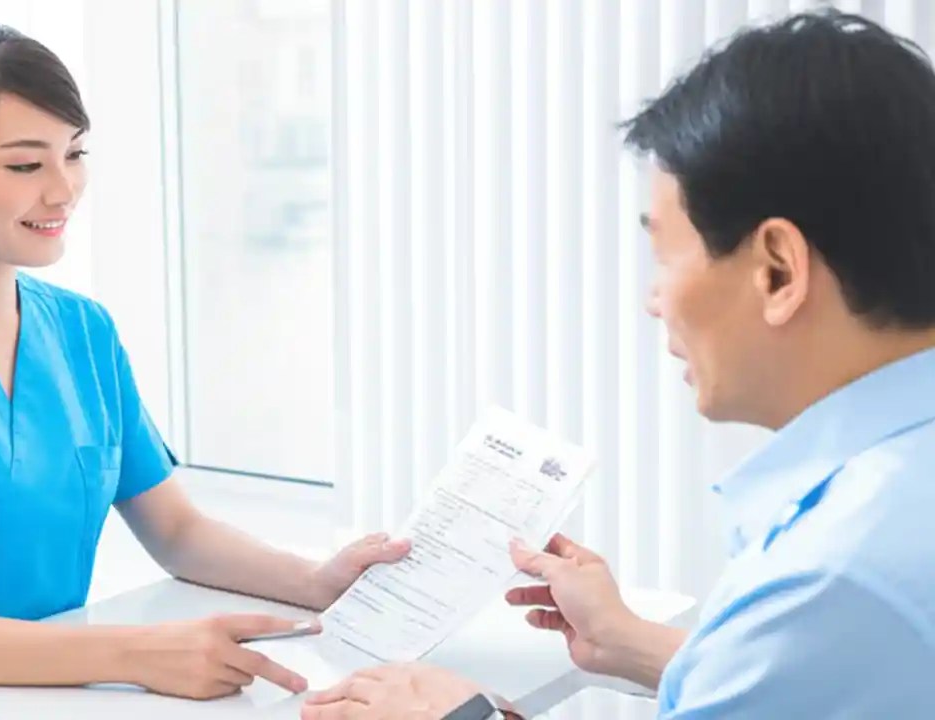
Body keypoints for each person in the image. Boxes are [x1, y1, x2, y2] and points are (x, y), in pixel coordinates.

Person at [0, 22, 409, 720]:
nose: (63, 190)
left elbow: (177, 532)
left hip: (39, 697)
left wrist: (317, 581)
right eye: (24, 165)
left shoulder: (82, 330)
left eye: (74, 154)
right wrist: (137, 656)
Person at [303, 10, 935, 719]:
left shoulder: (834, 579)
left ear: (778, 272)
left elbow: (820, 638)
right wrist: (634, 641)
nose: (654, 299)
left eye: (667, 254)